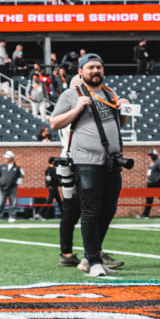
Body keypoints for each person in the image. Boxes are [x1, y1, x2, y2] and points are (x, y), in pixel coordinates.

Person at [49, 54, 130, 277]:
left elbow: (117, 124)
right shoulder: (72, 94)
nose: (96, 71)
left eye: (99, 67)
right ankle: (94, 260)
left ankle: (89, 256)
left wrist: (123, 110)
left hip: (111, 160)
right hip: (85, 160)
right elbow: (54, 122)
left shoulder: (109, 93)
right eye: (91, 67)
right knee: (90, 210)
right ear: (81, 72)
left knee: (108, 209)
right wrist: (77, 109)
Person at [138, 149, 160, 219]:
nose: (151, 156)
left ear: (155, 155)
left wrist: (156, 180)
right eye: (150, 155)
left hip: (158, 183)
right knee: (149, 199)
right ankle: (146, 214)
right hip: (151, 183)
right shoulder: (152, 162)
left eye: (152, 155)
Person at [0, 151, 24, 221]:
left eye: (7, 158)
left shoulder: (17, 167)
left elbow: (21, 176)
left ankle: (12, 217)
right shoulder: (1, 166)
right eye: (5, 157)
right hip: (3, 187)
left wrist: (16, 184)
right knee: (1, 202)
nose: (5, 159)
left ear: (11, 158)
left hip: (12, 188)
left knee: (13, 203)